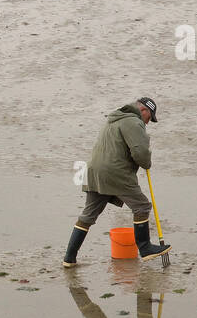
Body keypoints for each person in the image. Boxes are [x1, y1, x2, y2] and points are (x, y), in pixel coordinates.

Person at [63, 97, 171, 266]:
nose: (147, 123)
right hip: (115, 172)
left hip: (93, 171)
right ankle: (145, 248)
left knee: (88, 215)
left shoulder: (113, 119)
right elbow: (140, 153)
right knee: (141, 206)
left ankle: (69, 258)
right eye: (149, 118)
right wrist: (146, 161)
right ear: (144, 111)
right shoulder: (134, 122)